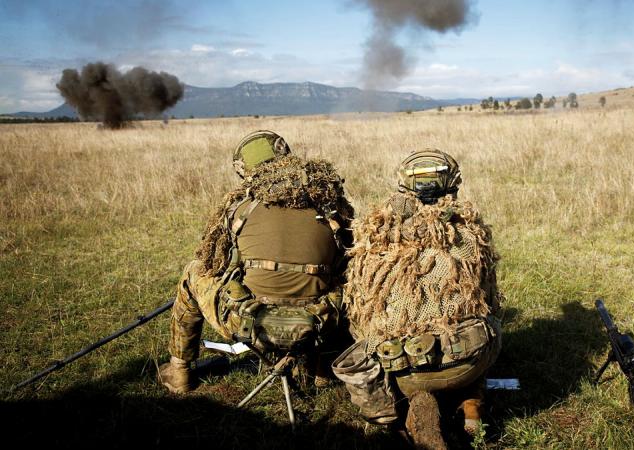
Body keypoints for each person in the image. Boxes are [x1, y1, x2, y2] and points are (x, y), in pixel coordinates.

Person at [159, 130, 353, 394]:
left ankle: (180, 371)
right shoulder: (329, 201)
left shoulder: (239, 207)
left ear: (245, 170)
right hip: (320, 319)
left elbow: (214, 263)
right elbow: (348, 258)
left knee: (193, 272)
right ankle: (322, 368)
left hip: (251, 321)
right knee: (345, 278)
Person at [333, 149, 502, 448]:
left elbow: (358, 311)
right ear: (453, 183)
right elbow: (489, 302)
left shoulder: (376, 233)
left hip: (396, 370)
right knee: (491, 324)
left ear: (403, 185)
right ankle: (472, 404)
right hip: (463, 365)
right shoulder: (470, 231)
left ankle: (397, 411)